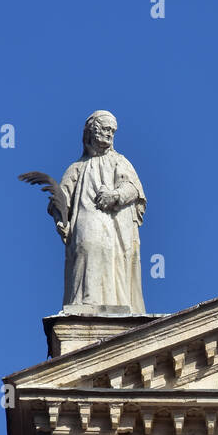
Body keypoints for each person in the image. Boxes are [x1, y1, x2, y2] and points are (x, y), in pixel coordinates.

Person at [56, 110, 147, 313]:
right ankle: (85, 303)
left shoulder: (120, 161)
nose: (110, 134)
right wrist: (61, 218)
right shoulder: (77, 168)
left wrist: (114, 196)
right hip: (86, 218)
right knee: (87, 247)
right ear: (93, 131)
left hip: (116, 225)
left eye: (113, 131)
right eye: (106, 129)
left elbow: (133, 189)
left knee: (113, 256)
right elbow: (61, 199)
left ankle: (116, 304)